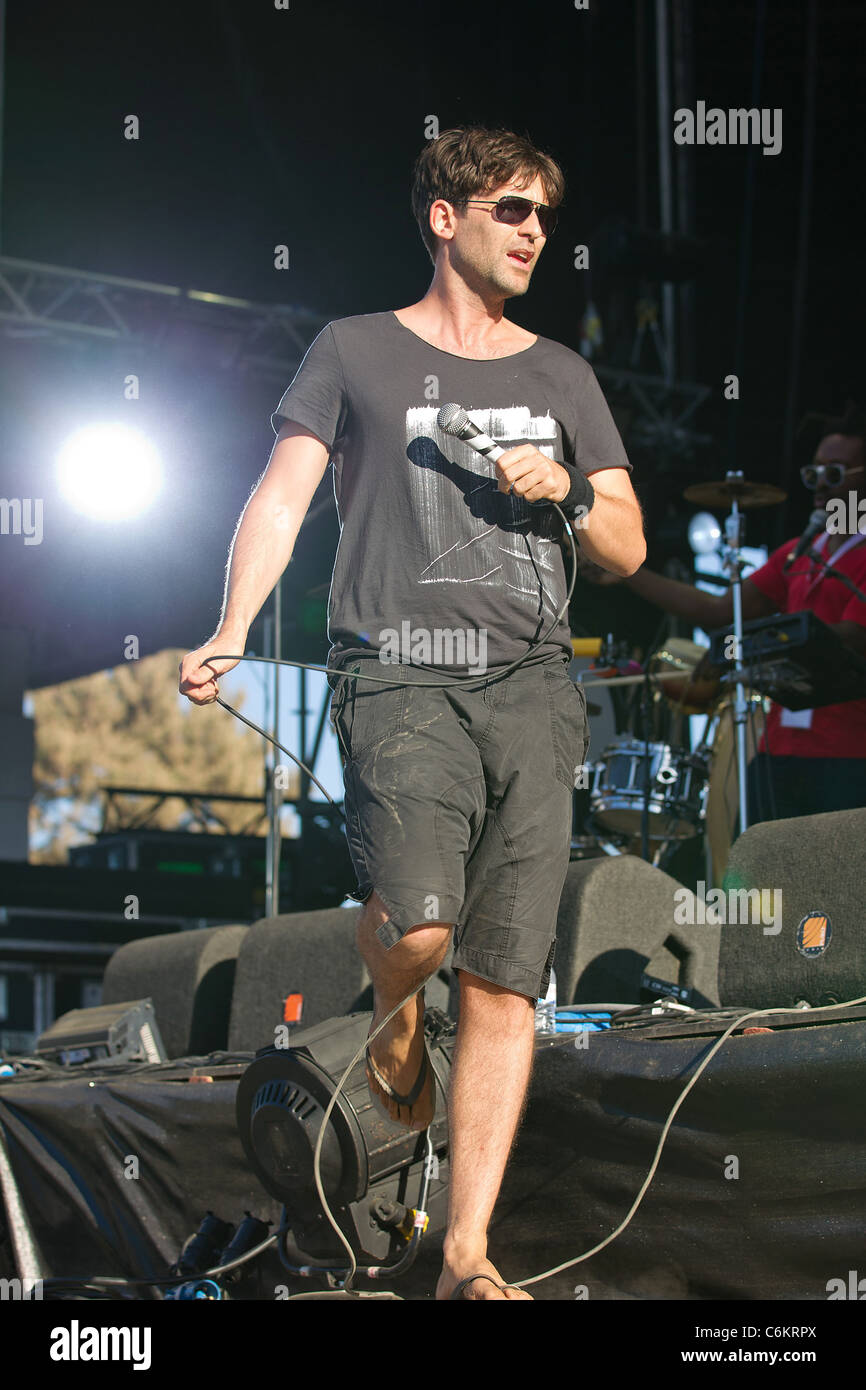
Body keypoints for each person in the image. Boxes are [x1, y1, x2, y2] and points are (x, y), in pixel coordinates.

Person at [179, 126, 644, 1300]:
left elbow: (628, 547)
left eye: (543, 214)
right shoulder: (351, 351)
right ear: (444, 218)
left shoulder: (561, 377)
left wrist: (574, 492)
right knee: (424, 933)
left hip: (535, 688)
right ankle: (389, 993)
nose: (533, 231)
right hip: (396, 673)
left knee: (501, 979)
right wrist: (231, 626)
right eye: (509, 209)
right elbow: (280, 500)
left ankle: (466, 1251)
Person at [582, 408, 866, 824]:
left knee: (837, 880)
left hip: (848, 752)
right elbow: (720, 612)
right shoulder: (799, 552)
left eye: (836, 473)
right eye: (815, 473)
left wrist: (755, 646)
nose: (821, 484)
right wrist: (628, 573)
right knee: (767, 878)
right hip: (778, 750)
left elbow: (853, 636)